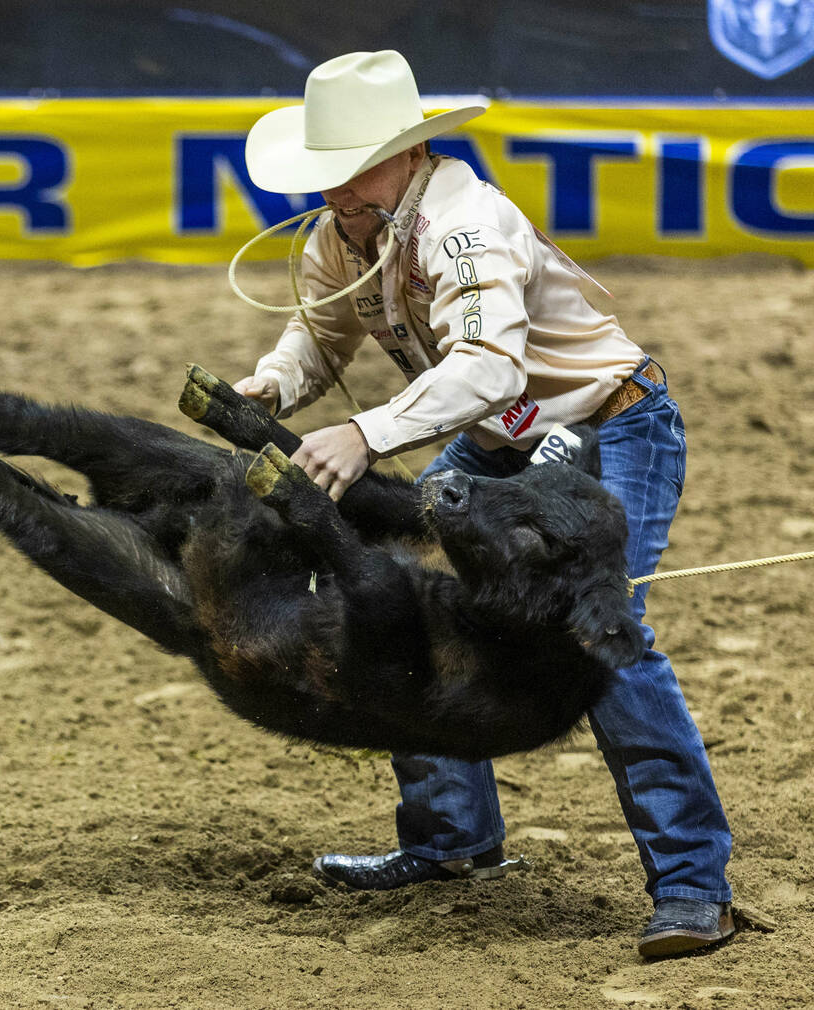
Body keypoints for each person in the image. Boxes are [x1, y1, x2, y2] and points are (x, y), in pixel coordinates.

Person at [232, 50, 734, 959]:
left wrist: (367, 433)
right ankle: (450, 842)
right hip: (504, 442)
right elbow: (321, 332)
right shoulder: (346, 231)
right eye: (328, 175)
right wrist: (274, 384)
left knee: (602, 634)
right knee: (407, 601)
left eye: (351, 171)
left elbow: (488, 369)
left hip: (609, 427)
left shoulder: (465, 221)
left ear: (404, 155)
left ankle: (696, 882)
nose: (336, 191)